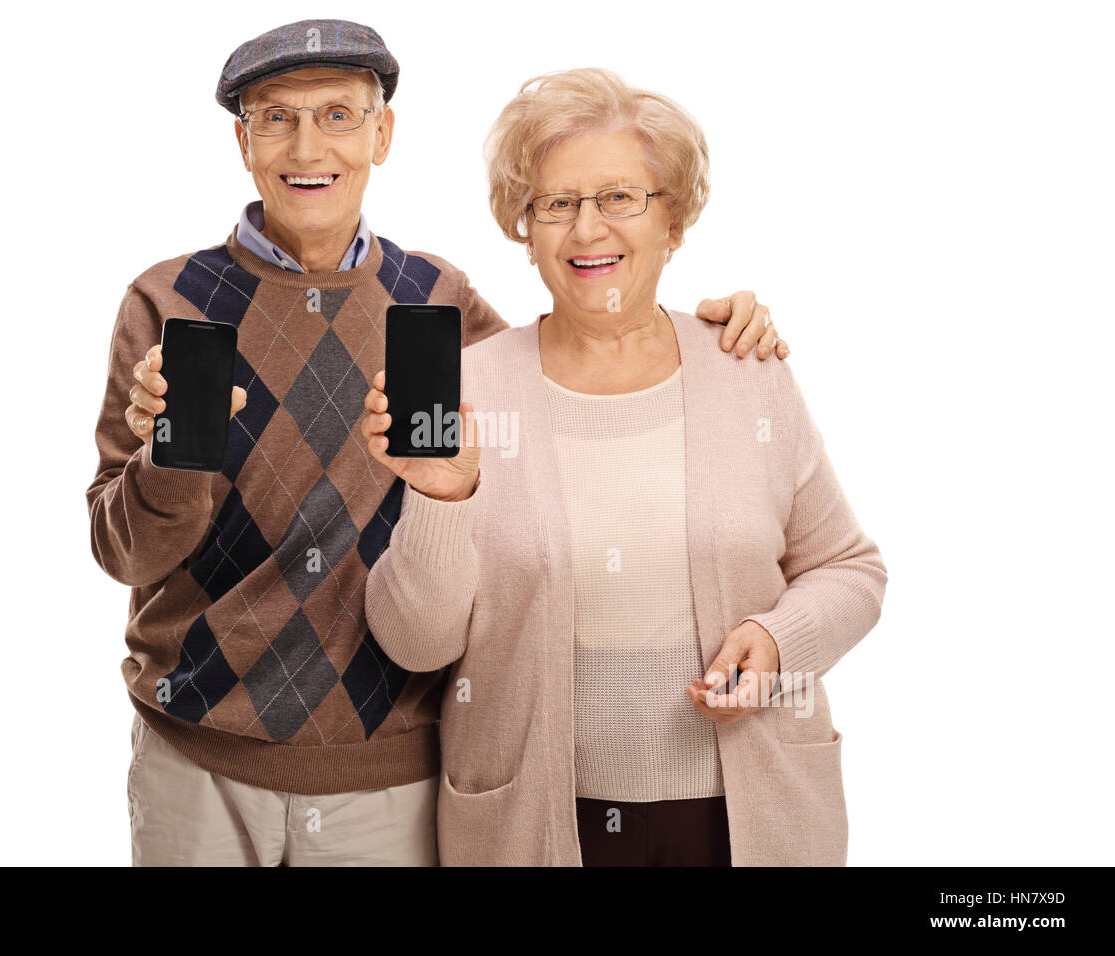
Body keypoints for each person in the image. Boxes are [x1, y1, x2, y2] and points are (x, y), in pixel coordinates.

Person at [87, 22, 788, 867]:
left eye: (339, 115)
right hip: (194, 761)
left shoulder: (439, 298)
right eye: (275, 118)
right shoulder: (167, 300)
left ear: (382, 135)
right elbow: (123, 554)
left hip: (391, 772)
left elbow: (568, 369)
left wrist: (702, 336)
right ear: (243, 142)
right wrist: (167, 460)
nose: (308, 146)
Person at [362, 67, 887, 866]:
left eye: (620, 198)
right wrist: (442, 498)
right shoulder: (470, 389)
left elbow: (851, 569)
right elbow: (418, 645)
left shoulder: (747, 367)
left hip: (749, 818)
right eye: (556, 204)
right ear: (524, 228)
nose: (586, 230)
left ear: (672, 220)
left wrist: (778, 641)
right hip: (537, 824)